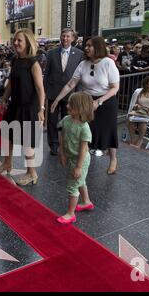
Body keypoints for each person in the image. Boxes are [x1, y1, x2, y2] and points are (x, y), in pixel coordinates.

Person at [51, 36, 120, 175]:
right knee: (87, 132)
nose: (86, 48)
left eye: (89, 45)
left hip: (106, 101)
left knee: (109, 131)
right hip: (87, 102)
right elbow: (71, 84)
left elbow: (114, 88)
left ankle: (113, 159)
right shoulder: (83, 64)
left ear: (98, 47)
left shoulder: (108, 63)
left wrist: (99, 101)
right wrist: (57, 99)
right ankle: (84, 161)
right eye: (86, 45)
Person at [0, 28, 45, 186]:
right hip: (14, 105)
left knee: (26, 141)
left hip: (29, 107)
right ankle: (7, 163)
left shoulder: (33, 63)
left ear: (27, 42)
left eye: (19, 40)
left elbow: (40, 88)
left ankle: (32, 173)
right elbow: (11, 83)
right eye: (15, 40)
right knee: (7, 135)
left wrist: (41, 109)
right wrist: (3, 100)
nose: (15, 43)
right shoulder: (15, 60)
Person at [44, 28, 83, 156]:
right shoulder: (51, 53)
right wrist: (45, 92)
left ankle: (67, 145)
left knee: (69, 121)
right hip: (53, 93)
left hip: (70, 94)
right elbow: (47, 74)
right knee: (52, 121)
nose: (65, 39)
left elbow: (80, 76)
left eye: (67, 36)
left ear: (72, 39)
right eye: (63, 36)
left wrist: (78, 93)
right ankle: (54, 145)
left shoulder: (79, 54)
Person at [57, 92, 94, 224]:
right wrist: (62, 152)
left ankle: (70, 213)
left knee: (73, 185)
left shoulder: (84, 128)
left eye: (70, 105)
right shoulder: (67, 119)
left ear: (79, 109)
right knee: (80, 181)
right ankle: (86, 202)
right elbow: (61, 134)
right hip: (71, 157)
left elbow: (84, 149)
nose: (67, 106)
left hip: (81, 161)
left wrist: (78, 167)